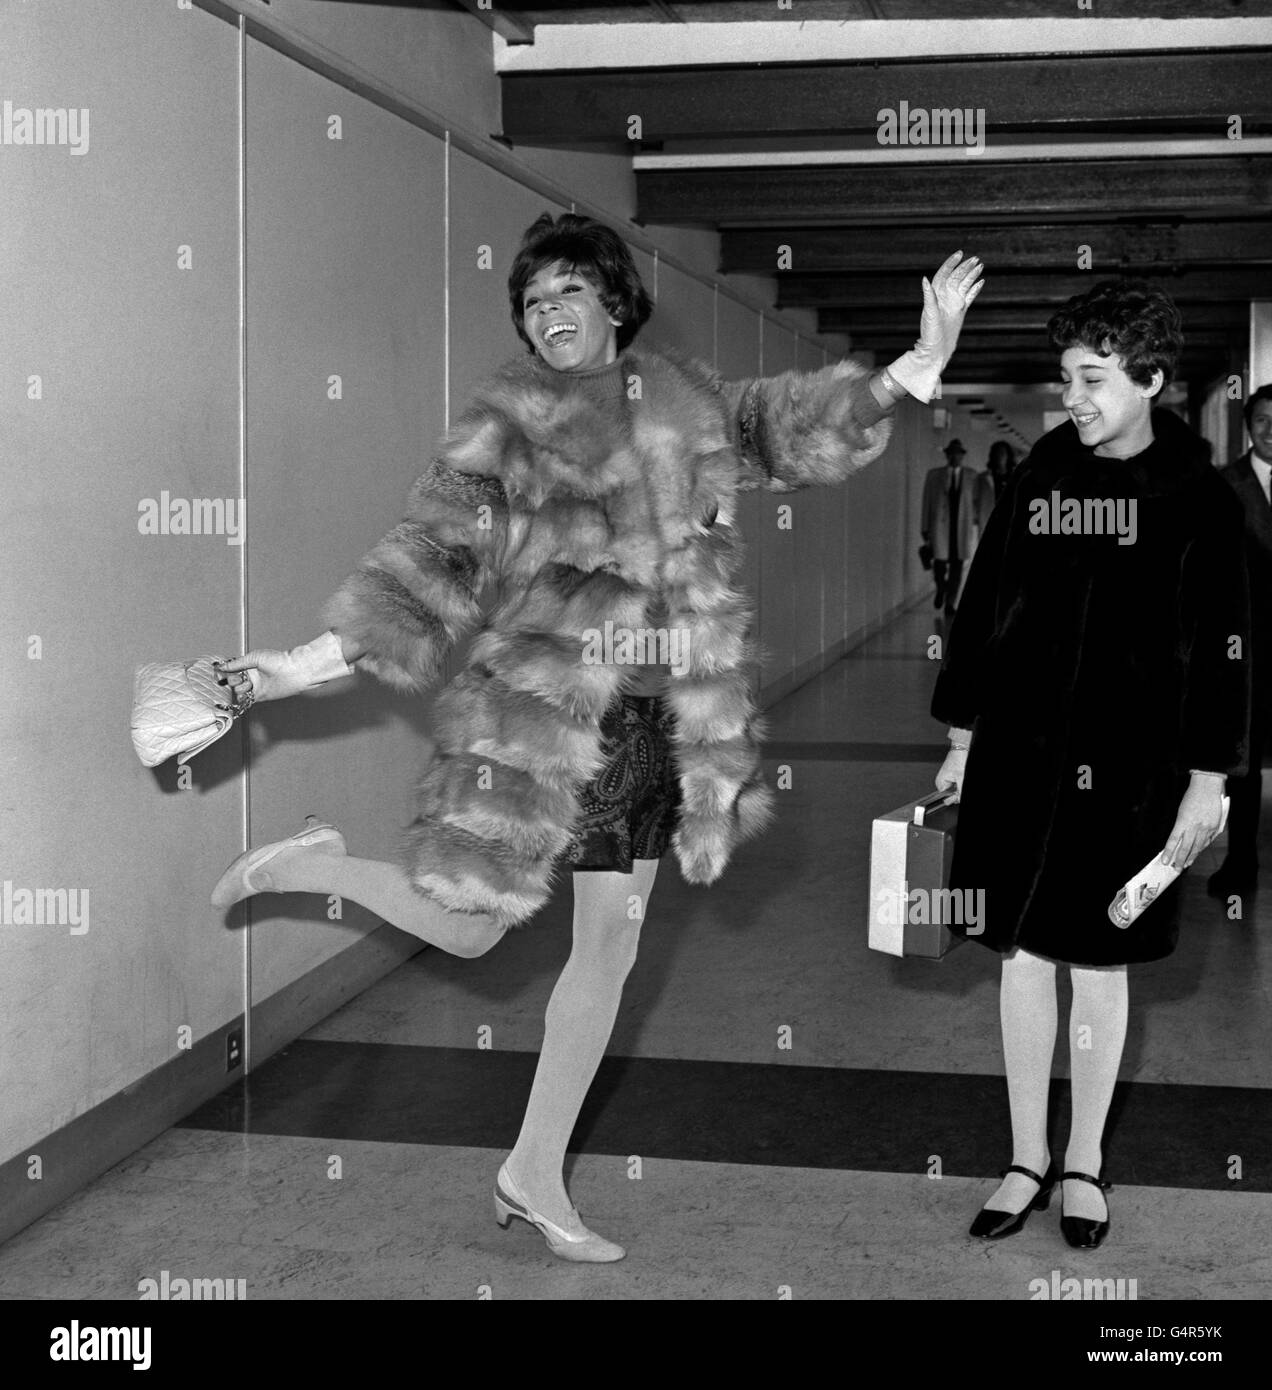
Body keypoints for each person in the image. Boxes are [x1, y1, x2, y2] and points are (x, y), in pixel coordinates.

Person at [207, 214, 985, 1261]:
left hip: (666, 716)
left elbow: (794, 422)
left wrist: (917, 365)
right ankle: (327, 877)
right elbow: (428, 562)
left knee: (578, 944)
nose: (547, 314)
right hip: (554, 713)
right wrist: (291, 669)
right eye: (531, 302)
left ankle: (528, 1168)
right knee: (504, 929)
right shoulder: (512, 431)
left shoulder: (687, 402)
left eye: (566, 291)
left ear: (615, 299)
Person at [931, 278, 1249, 1251]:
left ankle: (1084, 1164)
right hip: (1021, 758)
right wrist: (960, 734)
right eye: (1068, 375)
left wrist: (1208, 780)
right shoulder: (1041, 477)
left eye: (1095, 377)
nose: (1073, 394)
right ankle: (1026, 1155)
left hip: (1131, 772)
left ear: (1151, 379)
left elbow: (1224, 645)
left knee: (1101, 961)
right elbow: (986, 605)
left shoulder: (1199, 498)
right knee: (1022, 956)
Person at [1210, 383, 1272, 901]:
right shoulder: (1223, 485)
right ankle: (1241, 860)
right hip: (1245, 649)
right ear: (1248, 427)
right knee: (1243, 761)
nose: (1271, 431)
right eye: (1261, 420)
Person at [920, 438, 977, 616]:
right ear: (947, 455)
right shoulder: (934, 475)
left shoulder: (971, 476)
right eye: (952, 454)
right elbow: (927, 501)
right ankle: (941, 588)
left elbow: (975, 503)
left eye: (958, 454)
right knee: (939, 564)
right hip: (940, 526)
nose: (955, 457)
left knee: (957, 567)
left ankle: (950, 603)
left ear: (962, 456)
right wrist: (924, 526)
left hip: (961, 529)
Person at [974, 440, 1015, 530]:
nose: (999, 457)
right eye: (996, 453)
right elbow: (975, 500)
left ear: (1008, 456)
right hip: (988, 521)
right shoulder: (982, 478)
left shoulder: (1016, 478)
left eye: (1002, 453)